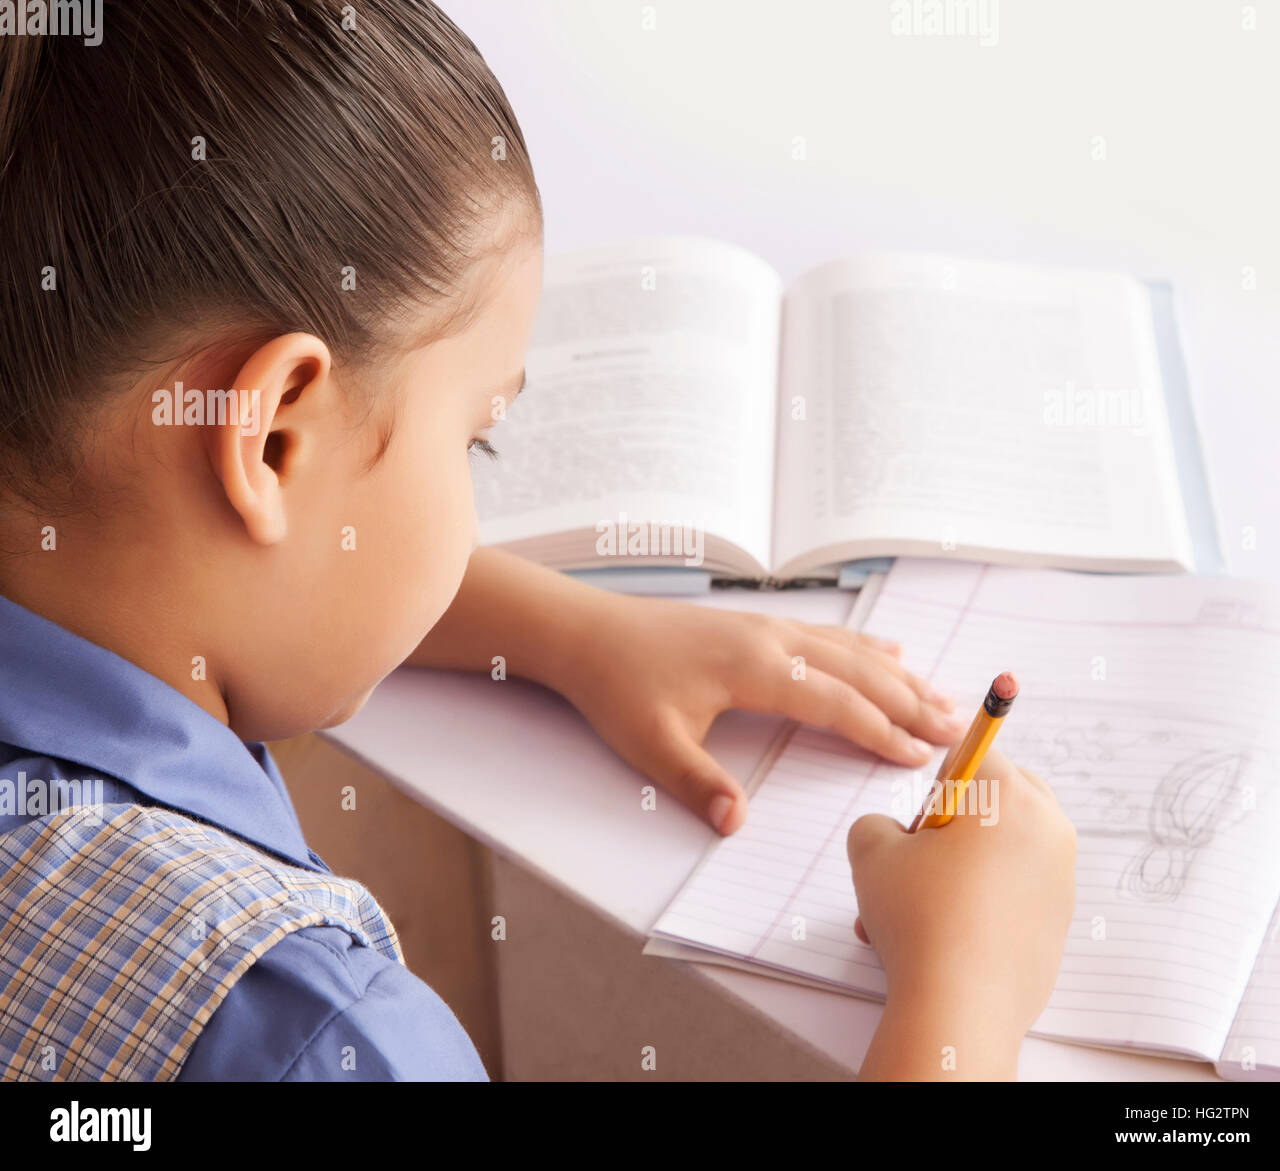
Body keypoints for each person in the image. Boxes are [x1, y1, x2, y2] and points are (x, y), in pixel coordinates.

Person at [0, 1, 1073, 1081]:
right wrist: (962, 994)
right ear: (274, 437)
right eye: (478, 440)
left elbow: (175, 547)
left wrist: (570, 632)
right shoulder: (313, 1035)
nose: (472, 489)